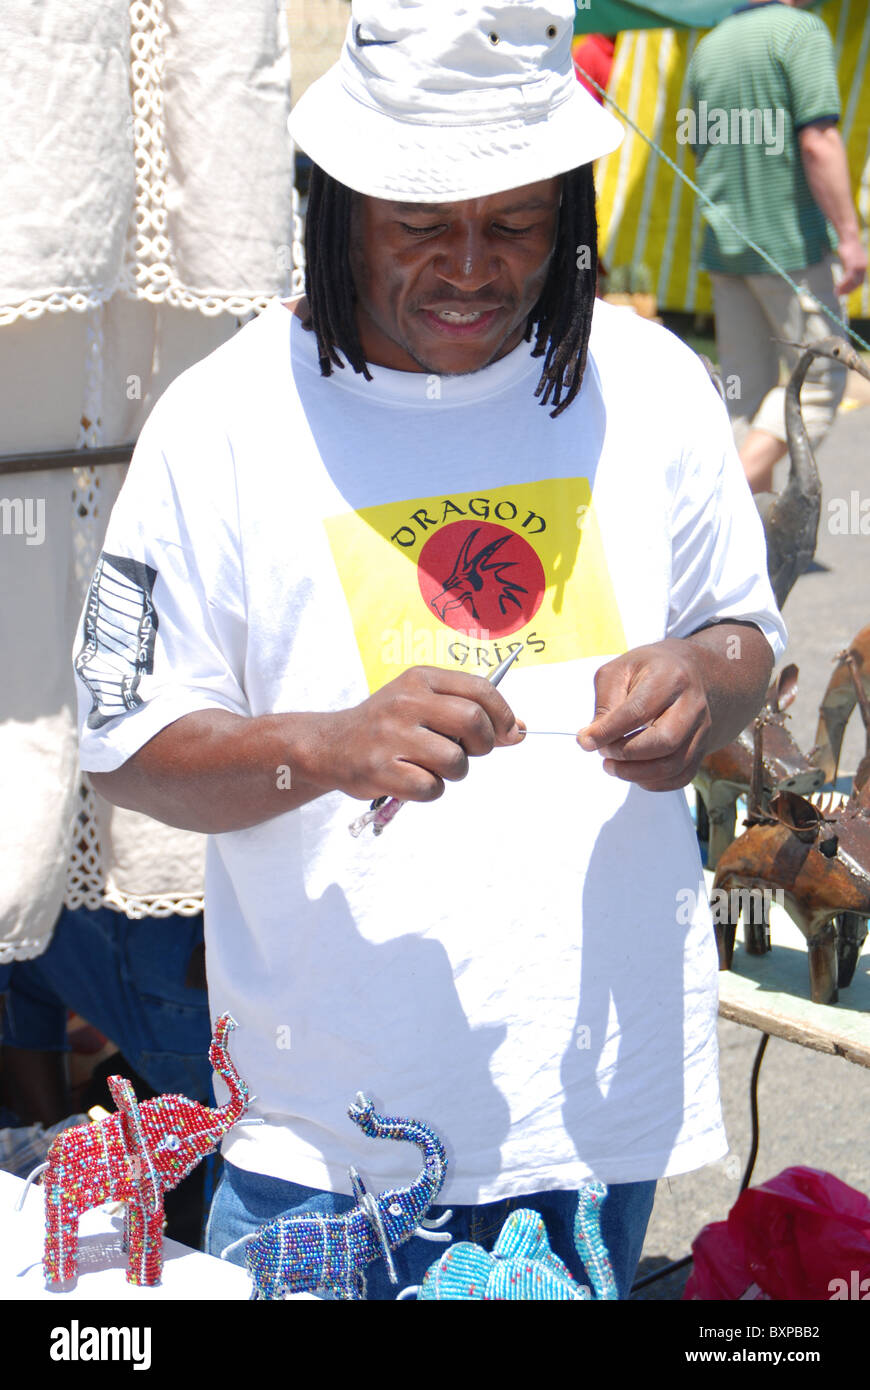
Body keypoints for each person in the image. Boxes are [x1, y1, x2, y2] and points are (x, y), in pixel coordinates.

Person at [73, 0, 786, 1300]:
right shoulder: (218, 420)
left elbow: (747, 634)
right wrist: (323, 748)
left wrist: (703, 682)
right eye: (418, 227)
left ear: (568, 213)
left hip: (591, 1123)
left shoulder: (654, 384)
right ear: (337, 208)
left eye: (515, 225)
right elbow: (119, 739)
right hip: (319, 1140)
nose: (470, 266)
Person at [687, 0, 867, 495]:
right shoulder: (800, 31)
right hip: (790, 246)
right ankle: (727, 491)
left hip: (726, 246)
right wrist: (850, 237)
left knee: (744, 398)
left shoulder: (711, 44)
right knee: (823, 378)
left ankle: (749, 547)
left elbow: (698, 146)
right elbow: (818, 141)